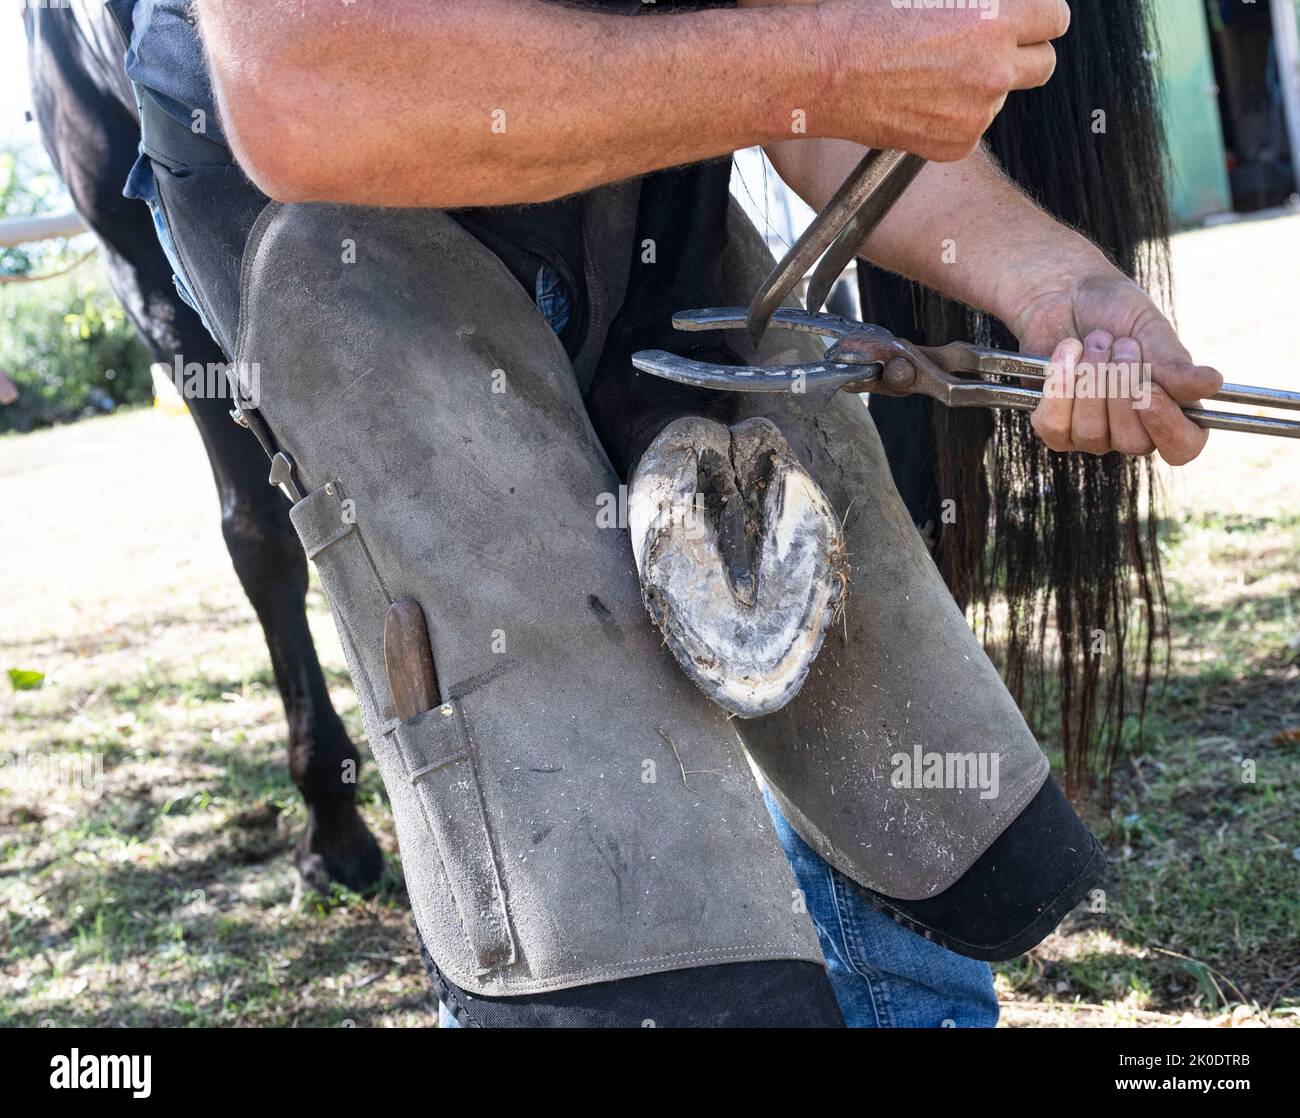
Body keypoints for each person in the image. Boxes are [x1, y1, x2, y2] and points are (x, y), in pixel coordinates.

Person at [106, 0, 1218, 1027]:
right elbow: (303, 83)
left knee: (853, 654)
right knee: (576, 798)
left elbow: (821, 84)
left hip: (635, 165)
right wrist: (822, 61)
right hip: (328, 203)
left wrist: (1049, 281)